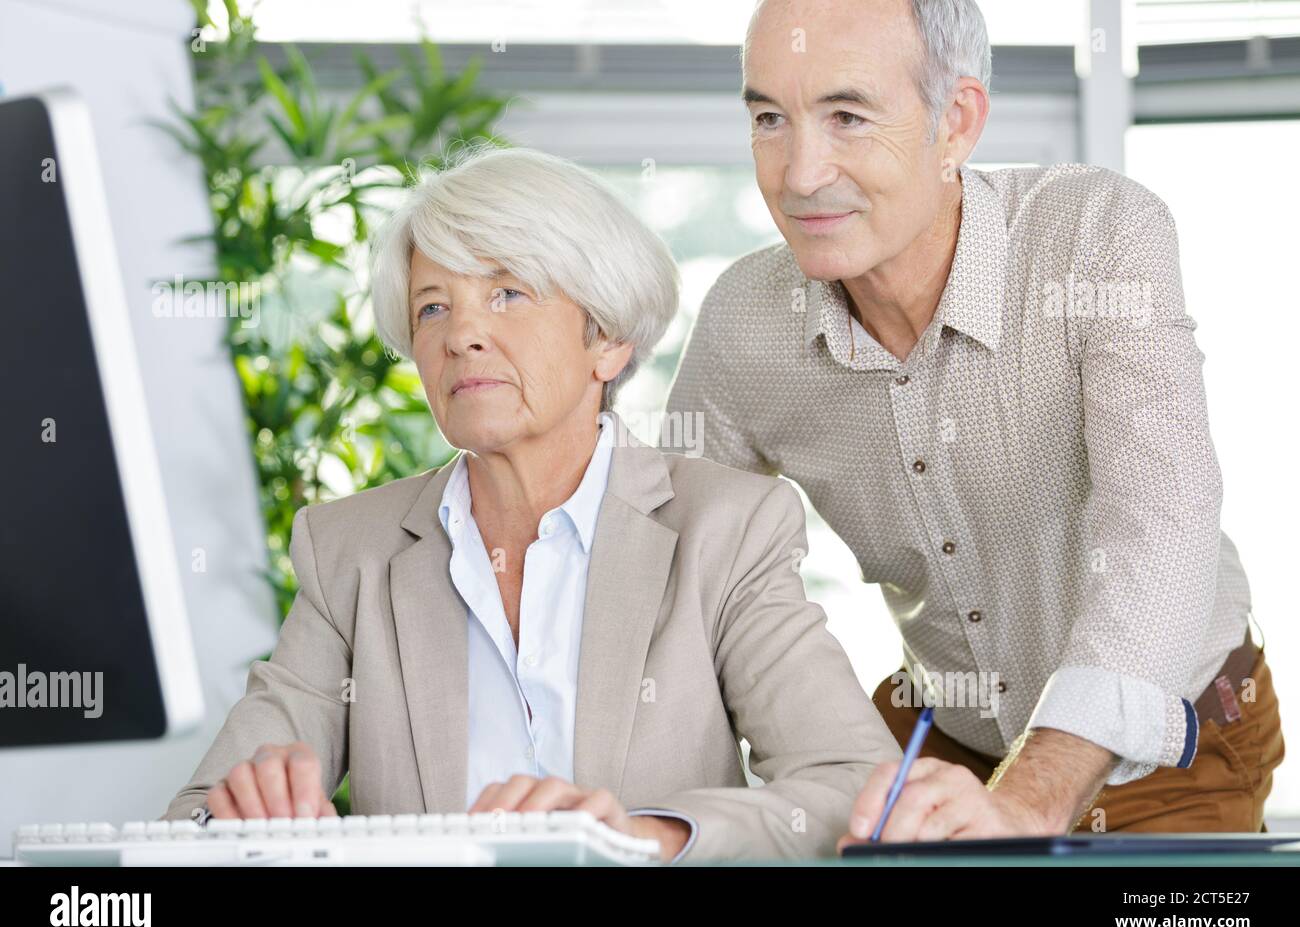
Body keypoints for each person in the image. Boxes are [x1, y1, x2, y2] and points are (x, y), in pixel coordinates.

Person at [162, 144, 902, 862]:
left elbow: (852, 790)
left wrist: (646, 838)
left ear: (607, 339)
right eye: (431, 309)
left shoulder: (724, 529)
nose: (462, 336)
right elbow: (196, 814)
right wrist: (243, 810)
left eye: (507, 294)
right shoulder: (349, 550)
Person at [665, 0, 1283, 843]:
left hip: (1176, 738)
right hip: (939, 736)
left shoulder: (1097, 236)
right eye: (770, 117)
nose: (800, 173)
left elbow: (1162, 521)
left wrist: (1027, 801)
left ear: (955, 122)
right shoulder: (744, 319)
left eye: (848, 116)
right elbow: (675, 573)